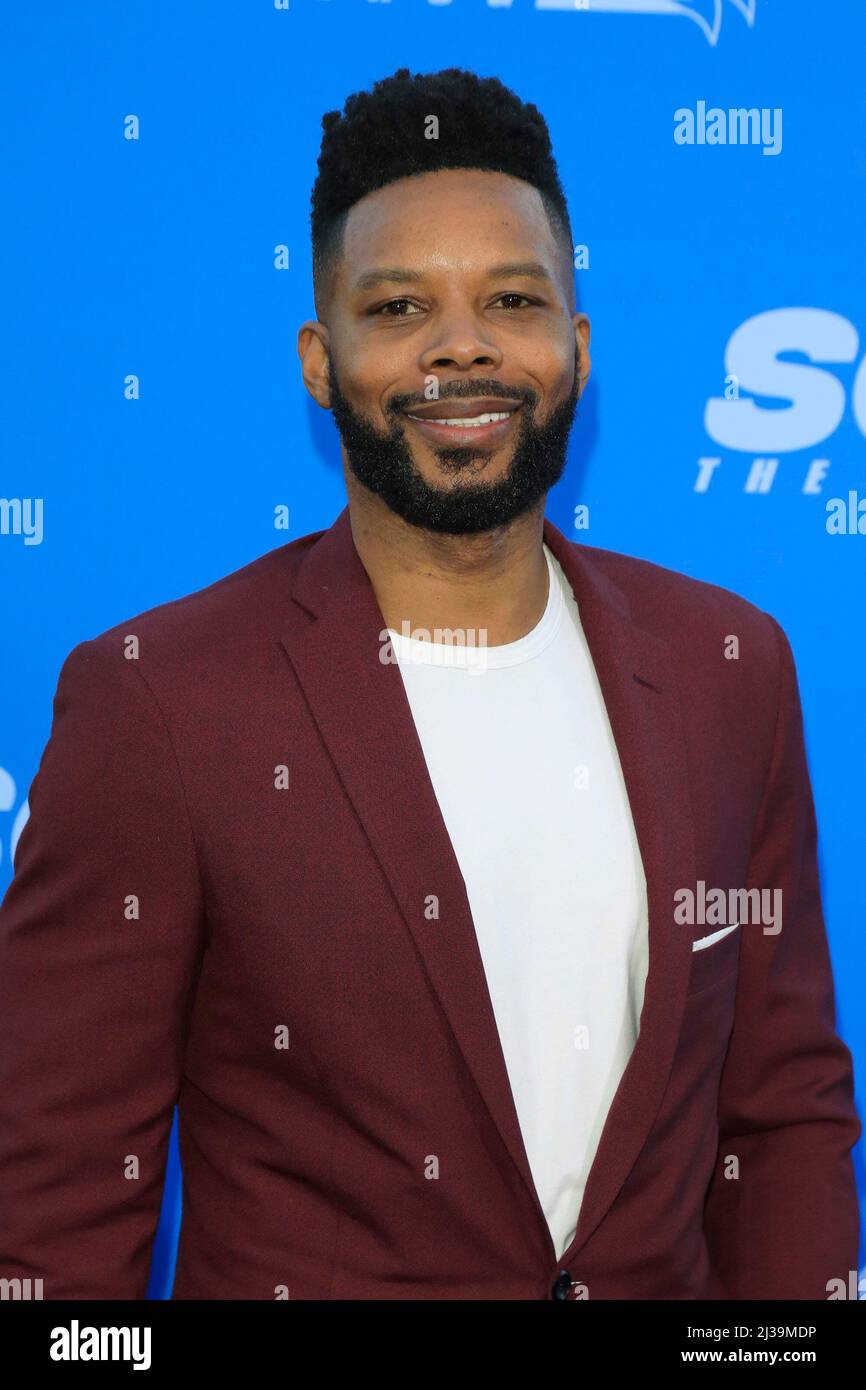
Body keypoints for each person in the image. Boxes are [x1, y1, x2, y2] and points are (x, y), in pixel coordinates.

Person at [0, 67, 859, 1301]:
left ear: (573, 344)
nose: (460, 344)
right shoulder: (162, 705)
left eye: (509, 298)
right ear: (318, 357)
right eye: (399, 306)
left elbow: (778, 1114)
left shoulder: (727, 668)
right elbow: (59, 1197)